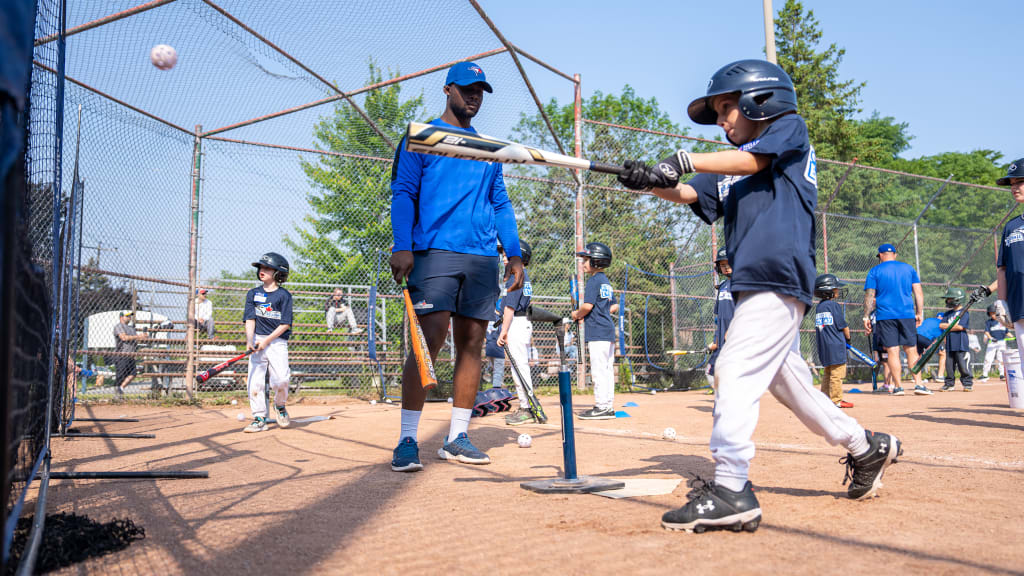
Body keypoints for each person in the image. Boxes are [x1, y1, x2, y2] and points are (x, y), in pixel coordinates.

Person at [616, 59, 901, 533]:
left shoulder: (786, 130)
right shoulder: (728, 163)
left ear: (760, 100)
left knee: (732, 369)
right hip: (751, 282)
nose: (723, 120)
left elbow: (751, 161)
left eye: (728, 108)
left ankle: (731, 489)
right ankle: (864, 446)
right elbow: (690, 192)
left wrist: (685, 159)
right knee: (787, 383)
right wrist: (650, 184)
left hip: (777, 273)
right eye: (719, 112)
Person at [389, 61, 524, 471]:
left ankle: (457, 437)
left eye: (480, 90)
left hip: (482, 256)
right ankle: (408, 439)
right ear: (448, 89)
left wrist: (513, 252)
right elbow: (403, 191)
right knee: (427, 343)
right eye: (467, 88)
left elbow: (499, 202)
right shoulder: (422, 136)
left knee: (472, 346)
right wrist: (403, 245)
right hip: (435, 252)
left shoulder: (488, 149)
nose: (474, 96)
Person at [863, 243, 927, 396]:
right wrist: (919, 313)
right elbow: (918, 292)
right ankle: (918, 384)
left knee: (892, 350)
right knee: (911, 349)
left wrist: (866, 316)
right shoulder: (908, 268)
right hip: (906, 314)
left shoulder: (874, 271)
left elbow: (870, 296)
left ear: (880, 256)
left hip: (885, 316)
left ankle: (898, 387)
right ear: (895, 255)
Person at [242, 252, 293, 433]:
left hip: (277, 342)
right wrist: (251, 340)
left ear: (278, 273)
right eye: (260, 268)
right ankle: (259, 417)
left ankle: (279, 406)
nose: (261, 271)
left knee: (281, 379)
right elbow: (250, 319)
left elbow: (285, 324)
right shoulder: (253, 294)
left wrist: (268, 341)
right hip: (257, 340)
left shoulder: (283, 296)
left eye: (266, 268)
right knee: (254, 381)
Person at [571, 242, 619, 419]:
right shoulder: (605, 281)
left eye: (587, 259)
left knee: (599, 370)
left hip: (598, 332)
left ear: (597, 261)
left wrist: (577, 314)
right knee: (606, 370)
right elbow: (613, 305)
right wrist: (602, 311)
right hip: (607, 330)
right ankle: (607, 405)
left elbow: (588, 306)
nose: (583, 263)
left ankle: (601, 407)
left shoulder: (594, 281)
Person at [497, 240, 536, 426]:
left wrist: (503, 331)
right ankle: (526, 405)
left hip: (517, 324)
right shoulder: (522, 275)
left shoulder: (515, 276)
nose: (504, 257)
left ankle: (526, 408)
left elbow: (510, 308)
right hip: (522, 323)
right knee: (520, 366)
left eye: (507, 254)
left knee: (519, 367)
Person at [814, 274, 854, 408]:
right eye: (836, 288)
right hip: (836, 345)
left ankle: (824, 398)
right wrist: (848, 339)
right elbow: (844, 326)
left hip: (824, 346)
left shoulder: (819, 307)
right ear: (828, 290)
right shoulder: (834, 306)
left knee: (828, 373)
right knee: (837, 374)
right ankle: (836, 400)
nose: (838, 291)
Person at [706, 247, 734, 394]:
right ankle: (723, 404)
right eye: (722, 265)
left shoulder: (741, 284)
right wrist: (716, 340)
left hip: (736, 339)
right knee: (714, 372)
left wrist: (732, 330)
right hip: (722, 340)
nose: (726, 267)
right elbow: (719, 319)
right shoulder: (722, 287)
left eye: (729, 263)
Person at [938, 288, 973, 392]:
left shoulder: (964, 312)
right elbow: (941, 325)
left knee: (962, 365)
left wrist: (948, 326)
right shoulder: (947, 314)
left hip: (961, 343)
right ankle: (949, 384)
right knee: (949, 365)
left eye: (950, 299)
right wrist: (952, 325)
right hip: (949, 343)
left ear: (957, 299)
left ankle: (967, 383)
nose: (948, 301)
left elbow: (961, 327)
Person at [112, 310, 146, 396]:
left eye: (130, 316)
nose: (129, 317)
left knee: (133, 374)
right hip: (122, 354)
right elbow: (124, 338)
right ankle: (117, 394)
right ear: (121, 317)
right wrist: (138, 336)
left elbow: (136, 340)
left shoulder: (131, 328)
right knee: (120, 375)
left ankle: (121, 388)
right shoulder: (119, 326)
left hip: (131, 355)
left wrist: (143, 337)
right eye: (127, 316)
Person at [979, 303, 1010, 382]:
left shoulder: (1003, 322)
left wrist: (1014, 337)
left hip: (1002, 343)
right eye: (991, 314)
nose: (992, 315)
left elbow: (1007, 332)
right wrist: (991, 338)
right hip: (992, 343)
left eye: (994, 313)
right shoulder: (989, 322)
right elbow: (986, 332)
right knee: (988, 358)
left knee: (1001, 359)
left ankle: (1002, 374)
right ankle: (985, 374)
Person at [916, 312, 946, 383]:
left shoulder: (929, 319)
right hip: (925, 338)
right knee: (943, 353)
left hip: (915, 336)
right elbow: (940, 339)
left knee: (919, 357)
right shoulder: (942, 324)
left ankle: (916, 377)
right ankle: (940, 376)